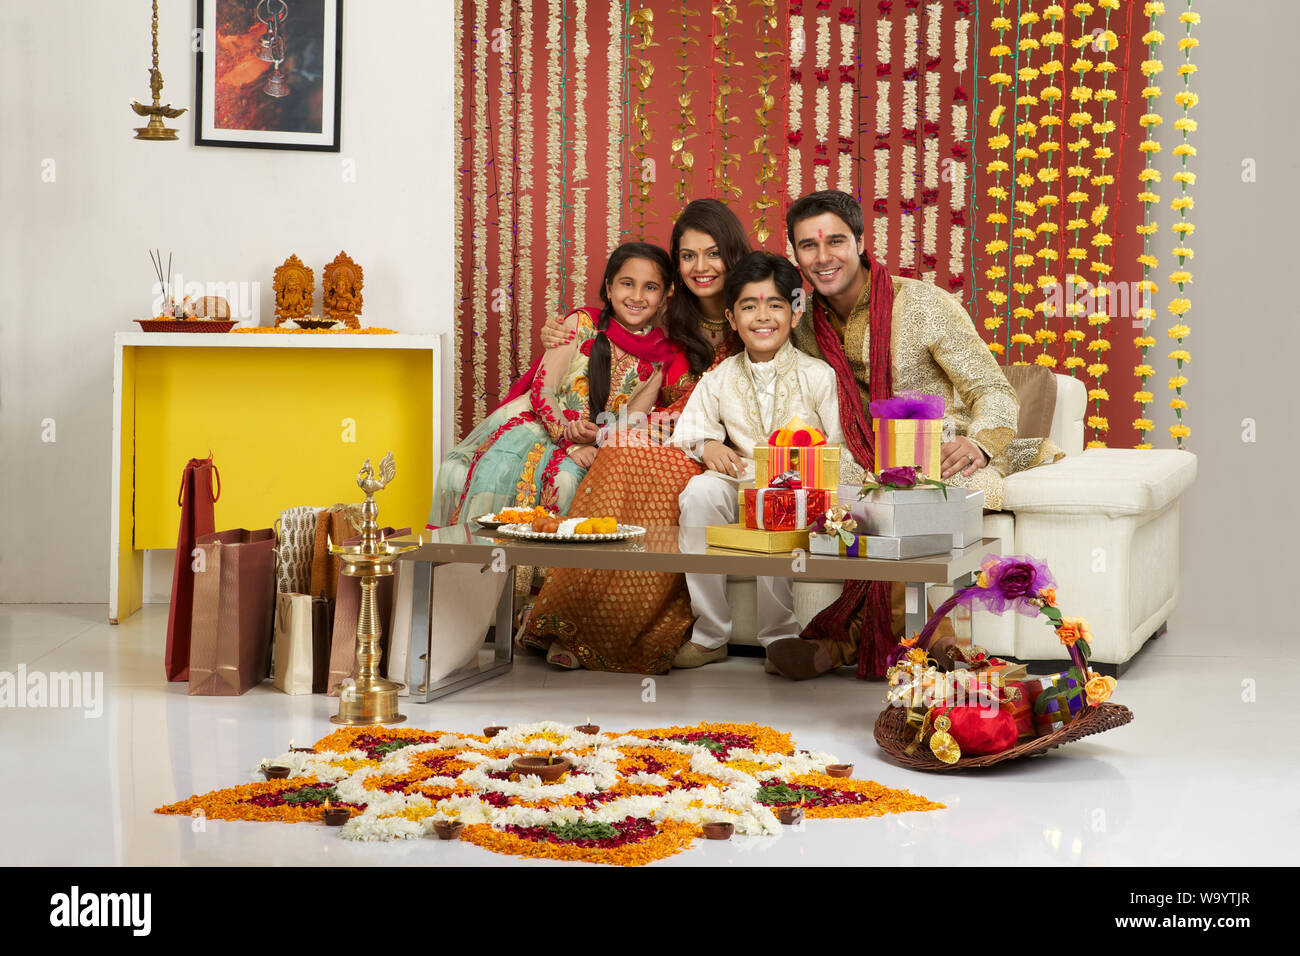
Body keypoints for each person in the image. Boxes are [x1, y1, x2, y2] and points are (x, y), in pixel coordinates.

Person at [770, 189, 1065, 680]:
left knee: (904, 495)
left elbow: (992, 390)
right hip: (860, 457)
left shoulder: (923, 304)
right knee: (849, 491)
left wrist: (979, 445)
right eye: (808, 246)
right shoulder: (802, 325)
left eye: (836, 241)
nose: (823, 258)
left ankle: (849, 641)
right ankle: (931, 645)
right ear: (795, 254)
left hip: (943, 451)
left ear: (861, 241)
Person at [524, 199, 749, 671]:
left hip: (725, 445)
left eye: (712, 253)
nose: (700, 267)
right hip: (669, 435)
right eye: (688, 256)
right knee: (619, 449)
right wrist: (558, 334)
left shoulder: (754, 305)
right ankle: (568, 618)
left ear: (732, 254)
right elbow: (635, 382)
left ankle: (609, 630)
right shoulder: (672, 318)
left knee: (627, 454)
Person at [669, 251, 848, 670]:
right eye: (749, 306)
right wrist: (708, 445)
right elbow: (688, 432)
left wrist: (807, 480)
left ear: (795, 313)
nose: (762, 317)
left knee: (776, 504)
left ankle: (779, 639)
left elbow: (840, 445)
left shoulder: (818, 375)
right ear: (732, 318)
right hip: (739, 481)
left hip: (801, 492)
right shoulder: (721, 377)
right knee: (698, 492)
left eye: (775, 305)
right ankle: (711, 634)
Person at [430, 242, 681, 526]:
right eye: (627, 283)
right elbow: (541, 391)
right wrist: (569, 441)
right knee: (486, 470)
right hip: (539, 429)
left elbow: (631, 421)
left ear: (663, 298)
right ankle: (493, 562)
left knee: (565, 481)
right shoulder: (579, 324)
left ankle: (550, 570)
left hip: (595, 445)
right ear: (609, 288)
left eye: (650, 287)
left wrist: (596, 441)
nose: (637, 296)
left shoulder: (660, 357)